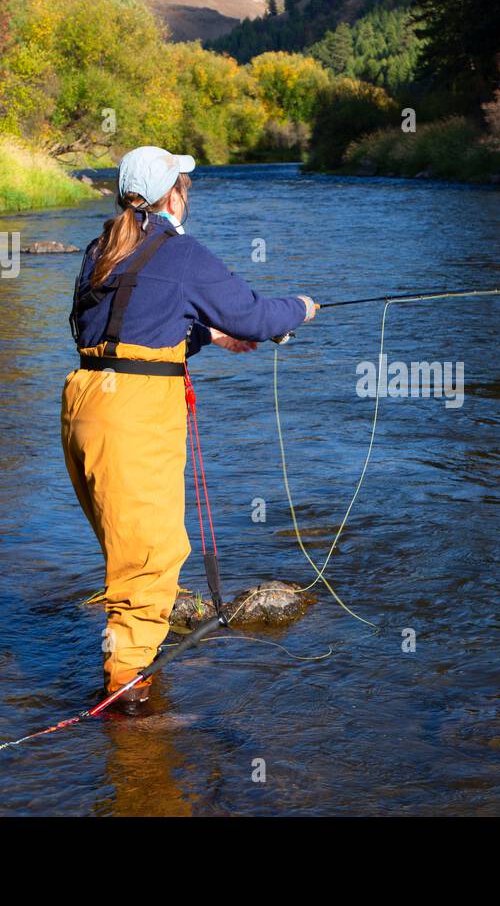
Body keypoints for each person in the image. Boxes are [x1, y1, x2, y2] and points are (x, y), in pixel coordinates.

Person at [62, 145, 316, 712]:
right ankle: (126, 699)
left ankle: (128, 667)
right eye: (186, 186)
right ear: (174, 194)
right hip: (133, 412)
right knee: (151, 555)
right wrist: (301, 306)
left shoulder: (101, 249)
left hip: (84, 402)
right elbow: (255, 315)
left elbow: (108, 325)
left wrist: (208, 337)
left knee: (126, 551)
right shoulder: (183, 253)